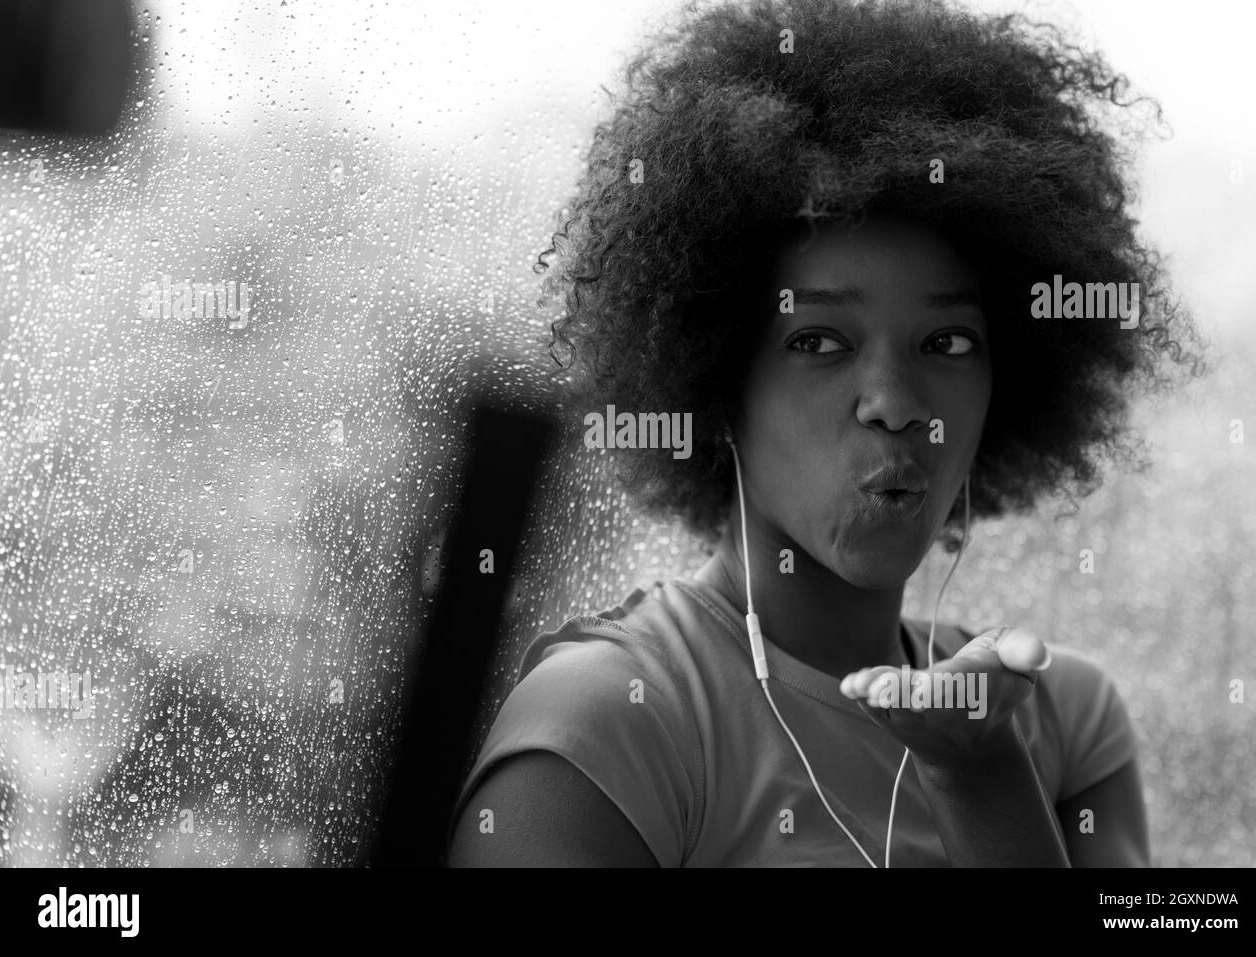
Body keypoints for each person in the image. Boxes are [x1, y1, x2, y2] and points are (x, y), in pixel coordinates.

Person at [448, 0, 1204, 866]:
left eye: (948, 342)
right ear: (719, 382)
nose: (894, 400)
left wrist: (983, 772)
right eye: (819, 342)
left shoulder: (1064, 718)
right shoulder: (608, 727)